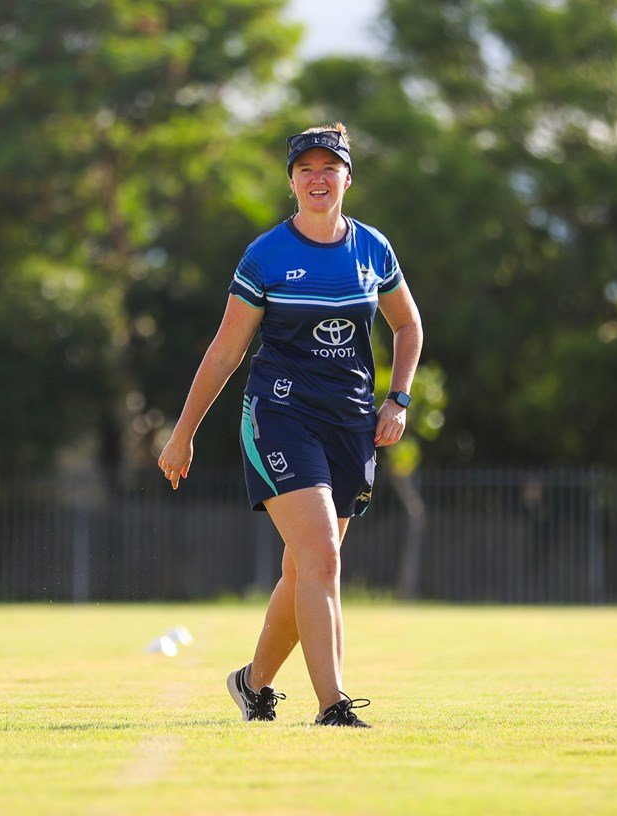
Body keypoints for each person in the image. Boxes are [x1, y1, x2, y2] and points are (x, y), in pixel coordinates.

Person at [157, 123, 423, 728]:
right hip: (279, 416)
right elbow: (225, 351)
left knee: (304, 569)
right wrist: (183, 432)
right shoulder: (267, 255)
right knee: (322, 556)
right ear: (292, 182)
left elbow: (409, 325)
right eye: (306, 169)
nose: (318, 178)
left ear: (348, 178)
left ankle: (252, 685)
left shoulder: (373, 249)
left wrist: (398, 398)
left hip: (352, 424)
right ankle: (333, 705)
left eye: (330, 168)